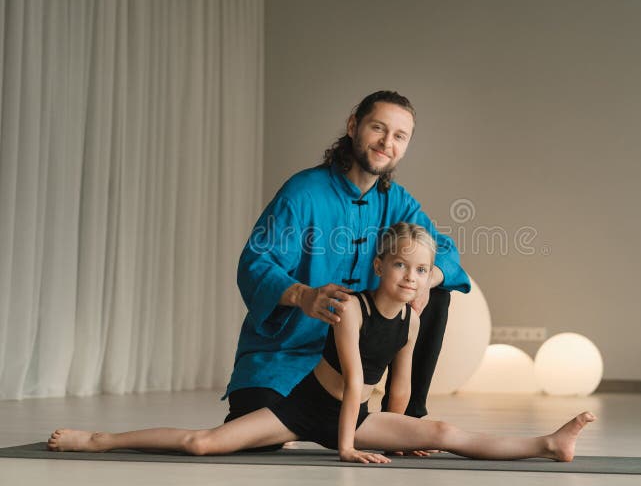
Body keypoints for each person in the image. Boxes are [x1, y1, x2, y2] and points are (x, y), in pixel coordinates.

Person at [47, 223, 596, 464]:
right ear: (379, 265)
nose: (409, 276)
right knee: (203, 444)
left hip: (356, 415)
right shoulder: (350, 308)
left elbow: (397, 388)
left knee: (446, 431)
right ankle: (97, 439)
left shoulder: (409, 318)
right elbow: (356, 380)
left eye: (421, 269)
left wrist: (403, 435)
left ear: (429, 276)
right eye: (400, 264)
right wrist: (347, 447)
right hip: (304, 408)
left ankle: (549, 444)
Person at [226, 91, 471, 436]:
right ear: (354, 126)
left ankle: (407, 417)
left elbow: (442, 250)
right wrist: (302, 295)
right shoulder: (302, 192)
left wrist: (427, 279)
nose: (387, 142)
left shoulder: (397, 201)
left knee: (435, 289)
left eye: (400, 136)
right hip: (285, 355)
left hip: (349, 365)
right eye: (378, 128)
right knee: (255, 435)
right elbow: (255, 262)